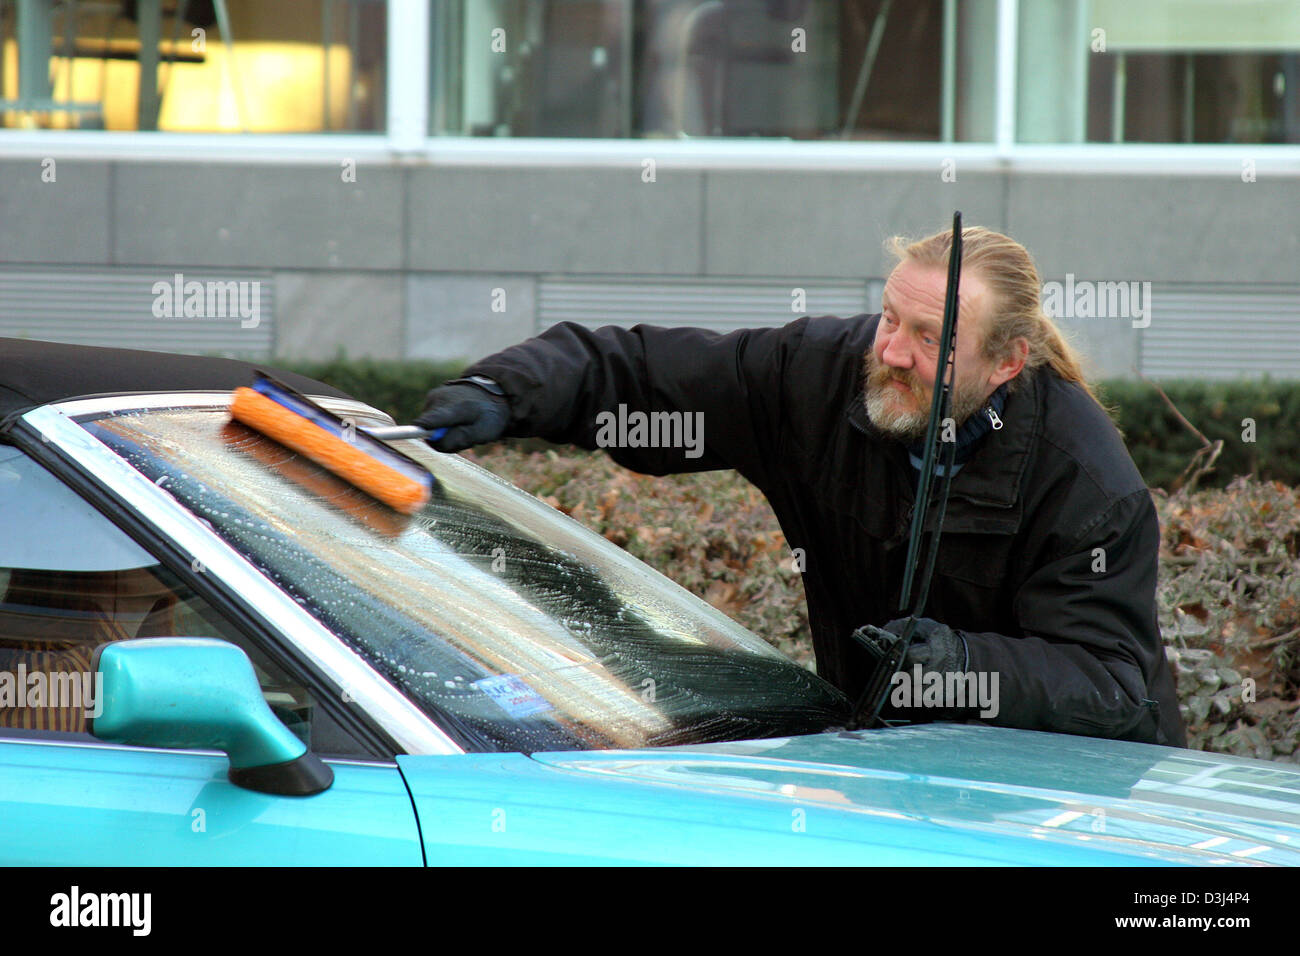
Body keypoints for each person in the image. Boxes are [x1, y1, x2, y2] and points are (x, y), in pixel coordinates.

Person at [414, 226, 1186, 747]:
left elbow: (1113, 684)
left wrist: (961, 664)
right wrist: (506, 392)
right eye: (891, 319)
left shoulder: (1085, 480)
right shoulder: (818, 375)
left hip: (1060, 804)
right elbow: (647, 375)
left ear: (1008, 363)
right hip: (887, 769)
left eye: (931, 340)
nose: (893, 352)